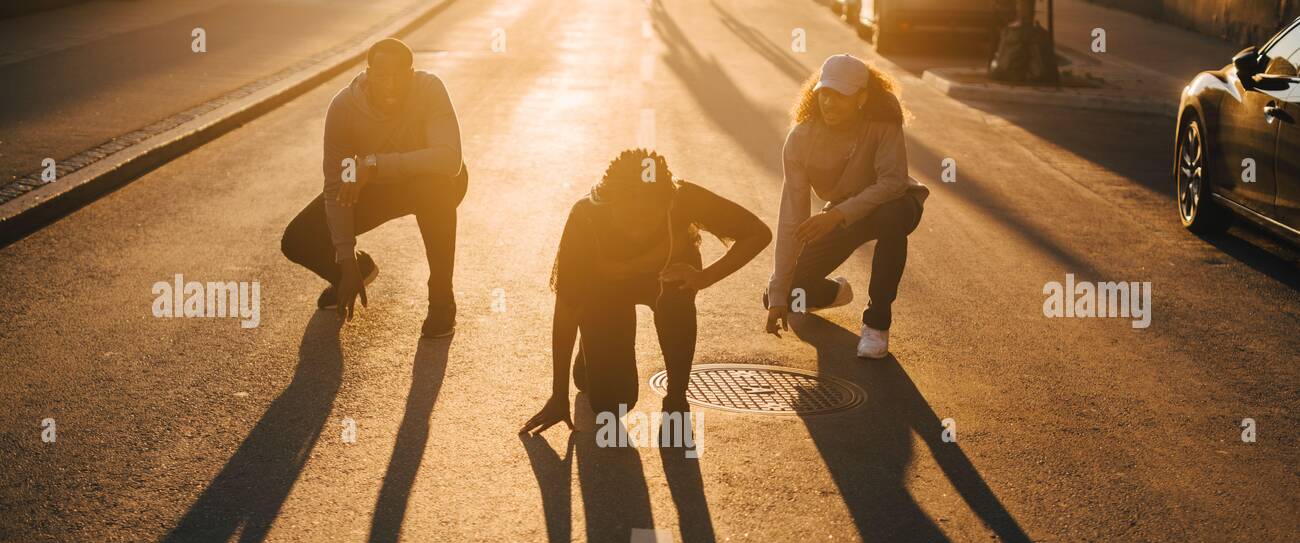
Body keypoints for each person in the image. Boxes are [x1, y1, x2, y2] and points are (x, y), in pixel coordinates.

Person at [522, 149, 771, 433]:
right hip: (607, 290)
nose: (637, 231)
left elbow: (757, 233)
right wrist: (558, 395)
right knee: (614, 403)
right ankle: (591, 348)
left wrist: (705, 277)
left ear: (666, 204)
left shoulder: (681, 198)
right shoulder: (587, 215)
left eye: (648, 217)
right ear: (611, 204)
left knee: (677, 295)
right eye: (629, 217)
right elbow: (567, 306)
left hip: (665, 278)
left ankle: (677, 396)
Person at [280, 37, 467, 338]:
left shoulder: (429, 88)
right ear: (369, 74)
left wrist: (374, 163)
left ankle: (442, 296)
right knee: (297, 239)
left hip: (432, 180)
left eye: (399, 76)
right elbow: (335, 187)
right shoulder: (344, 108)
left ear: (411, 74)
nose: (390, 85)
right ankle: (357, 273)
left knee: (434, 187)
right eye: (382, 76)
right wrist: (346, 262)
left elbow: (449, 160)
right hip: (376, 186)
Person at [765, 53, 929, 359]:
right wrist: (778, 293)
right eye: (824, 93)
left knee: (891, 218)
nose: (828, 103)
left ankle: (877, 324)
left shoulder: (883, 124)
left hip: (894, 203)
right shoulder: (801, 138)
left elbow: (892, 183)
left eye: (840, 95)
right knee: (785, 294)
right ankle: (835, 292)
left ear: (862, 97)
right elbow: (792, 217)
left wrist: (838, 214)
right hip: (844, 214)